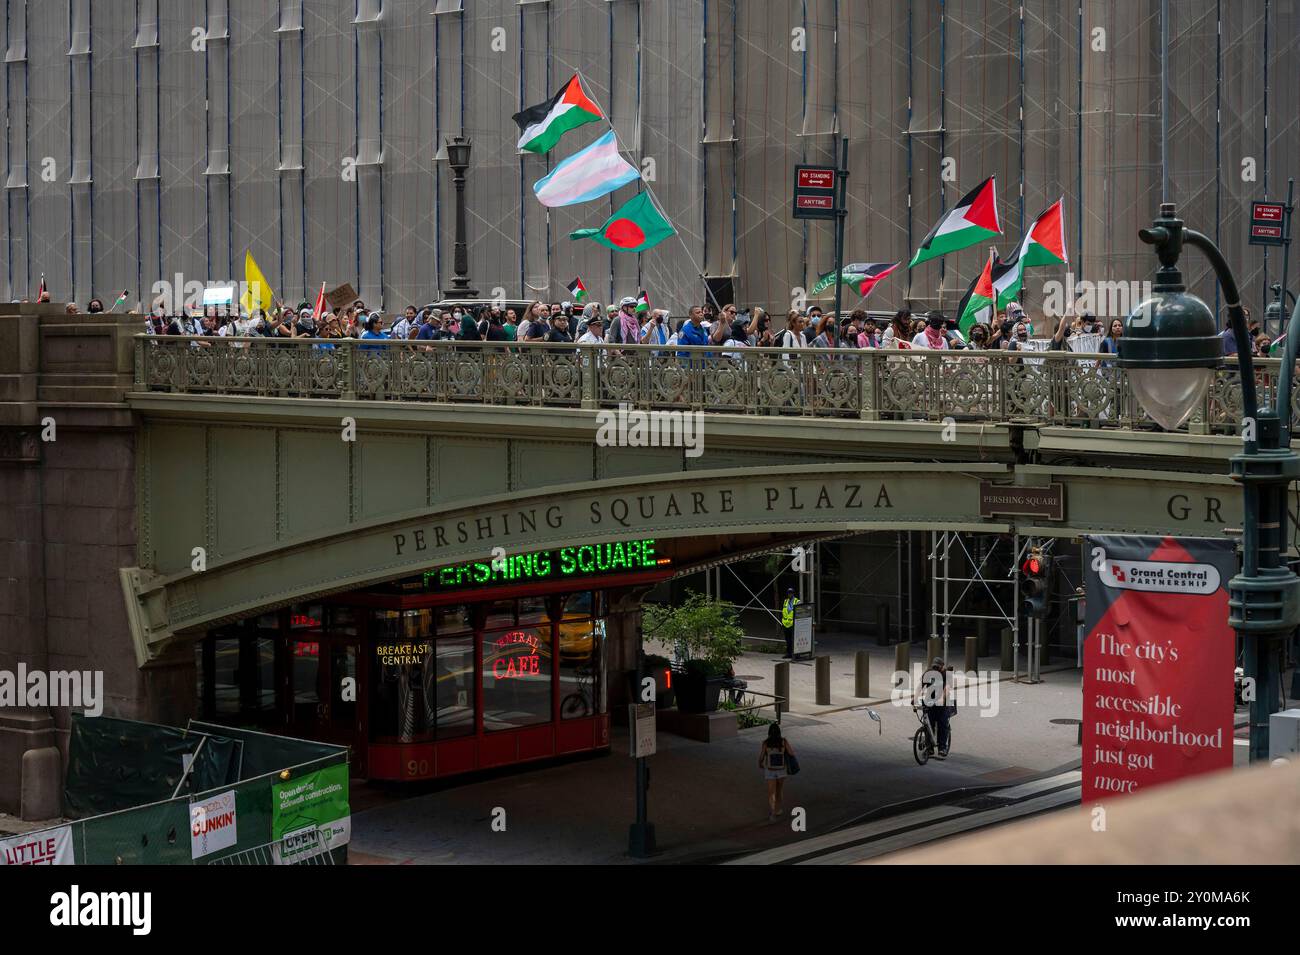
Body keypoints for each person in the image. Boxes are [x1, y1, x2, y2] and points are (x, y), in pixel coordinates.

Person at [758, 723, 796, 822]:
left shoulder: (765, 743)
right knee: (779, 790)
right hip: (781, 770)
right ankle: (778, 809)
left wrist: (760, 763)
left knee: (771, 792)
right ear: (779, 732)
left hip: (770, 770)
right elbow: (791, 753)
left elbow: (762, 756)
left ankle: (772, 811)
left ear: (769, 732)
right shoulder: (783, 741)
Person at [918, 656, 951, 757]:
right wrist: (914, 698)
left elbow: (947, 688)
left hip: (942, 703)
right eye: (934, 667)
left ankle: (942, 747)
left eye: (938, 667)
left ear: (942, 667)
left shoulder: (947, 674)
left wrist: (943, 699)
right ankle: (929, 748)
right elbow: (920, 686)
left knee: (942, 723)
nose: (936, 669)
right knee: (928, 724)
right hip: (930, 701)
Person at [780, 587, 801, 658]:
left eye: (791, 593)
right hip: (786, 624)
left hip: (793, 624)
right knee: (788, 640)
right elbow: (783, 612)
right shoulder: (785, 601)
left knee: (794, 640)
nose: (789, 594)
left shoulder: (797, 601)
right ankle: (789, 653)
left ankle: (796, 654)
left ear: (793, 593)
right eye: (788, 593)